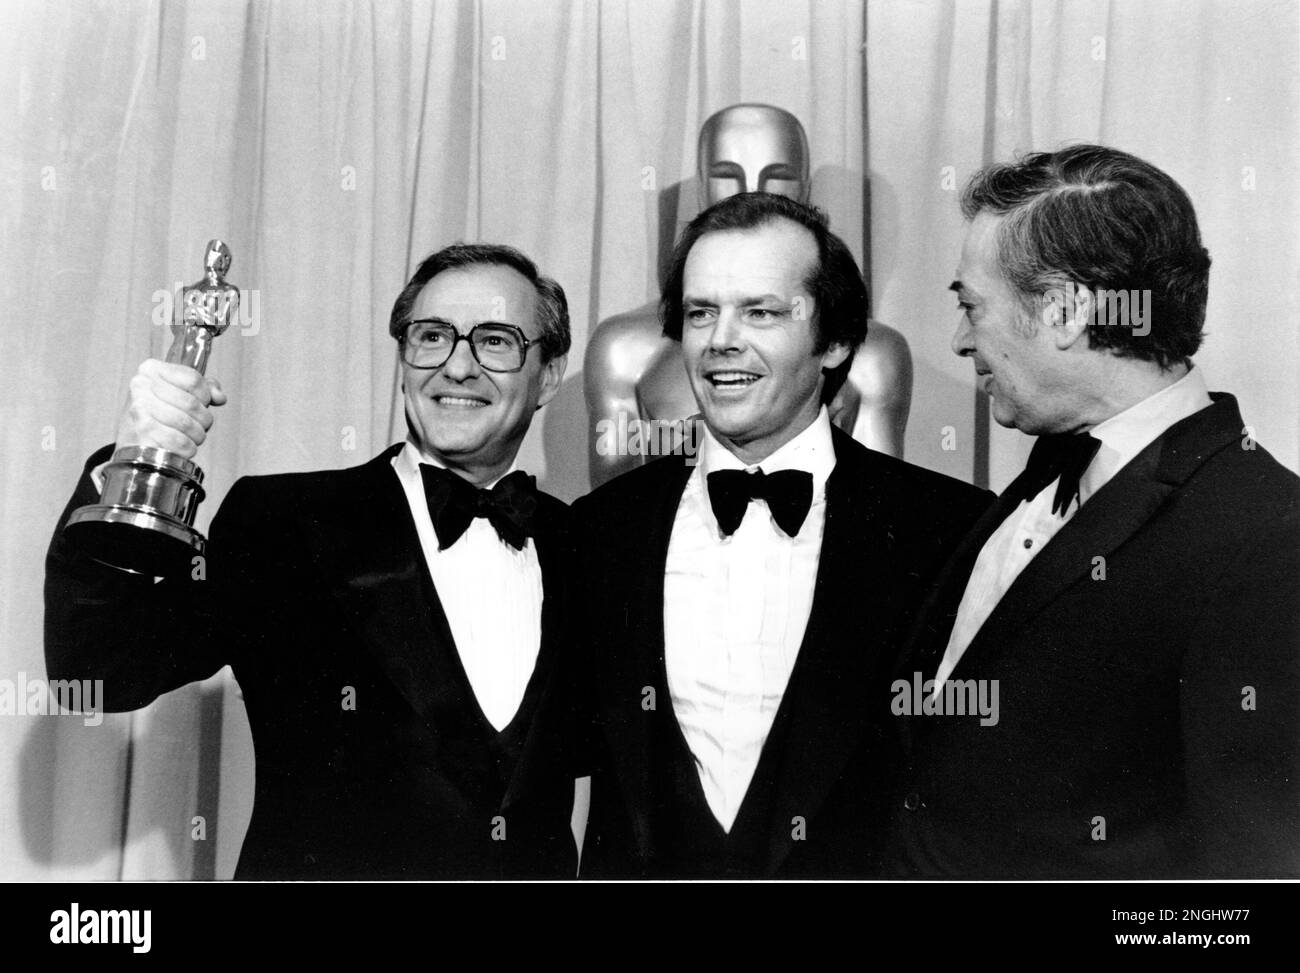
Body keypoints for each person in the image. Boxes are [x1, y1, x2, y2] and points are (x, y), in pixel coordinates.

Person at [45, 243, 580, 879]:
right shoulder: (283, 523)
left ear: (547, 374)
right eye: (431, 336)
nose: (456, 368)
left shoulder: (586, 544)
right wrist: (132, 470)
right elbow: (97, 671)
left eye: (495, 340)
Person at [886, 144, 1300, 878]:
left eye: (971, 306)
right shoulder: (1044, 469)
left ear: (1069, 312)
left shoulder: (1268, 538)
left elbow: (1251, 879)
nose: (958, 339)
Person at [573, 192, 991, 878]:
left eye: (760, 312)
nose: (720, 339)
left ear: (835, 342)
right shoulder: (601, 528)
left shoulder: (952, 531)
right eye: (702, 312)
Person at [583, 103, 912, 486]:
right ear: (702, 184)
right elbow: (613, 514)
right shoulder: (623, 350)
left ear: (805, 188)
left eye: (778, 176)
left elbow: (880, 504)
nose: (751, 190)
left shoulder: (874, 354)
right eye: (727, 174)